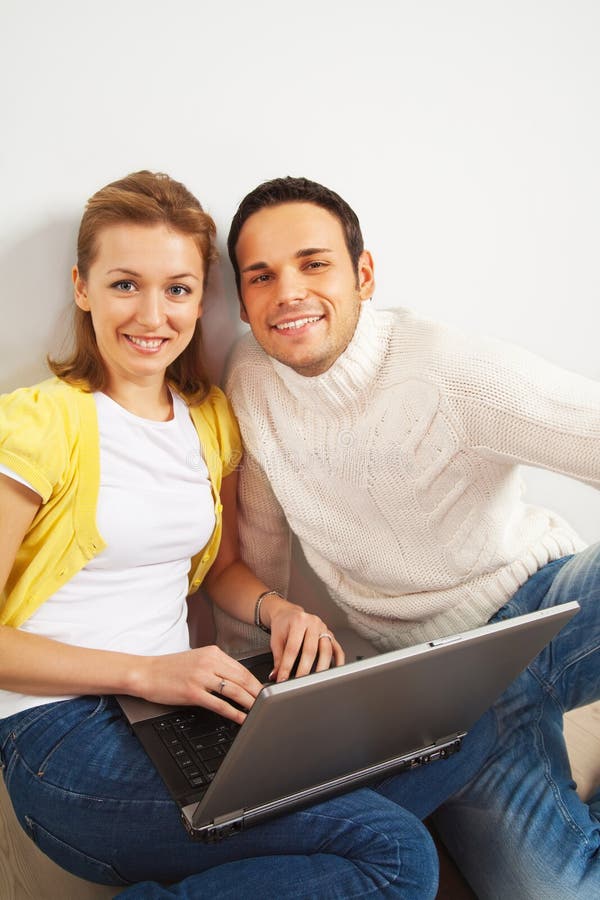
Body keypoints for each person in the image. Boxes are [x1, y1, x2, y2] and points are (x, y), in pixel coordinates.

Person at [0, 170, 446, 899]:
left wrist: (279, 610)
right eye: (124, 285)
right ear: (82, 286)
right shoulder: (35, 425)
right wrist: (146, 673)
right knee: (397, 854)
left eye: (177, 288)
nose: (153, 314)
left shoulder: (208, 419)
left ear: (201, 300)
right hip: (61, 739)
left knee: (446, 740)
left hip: (180, 716)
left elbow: (221, 569)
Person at [220, 175, 600, 900]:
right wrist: (258, 686)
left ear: (364, 275)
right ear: (242, 302)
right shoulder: (249, 381)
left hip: (547, 612)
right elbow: (260, 545)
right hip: (430, 690)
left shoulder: (450, 370)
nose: (288, 292)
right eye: (262, 276)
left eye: (314, 263)